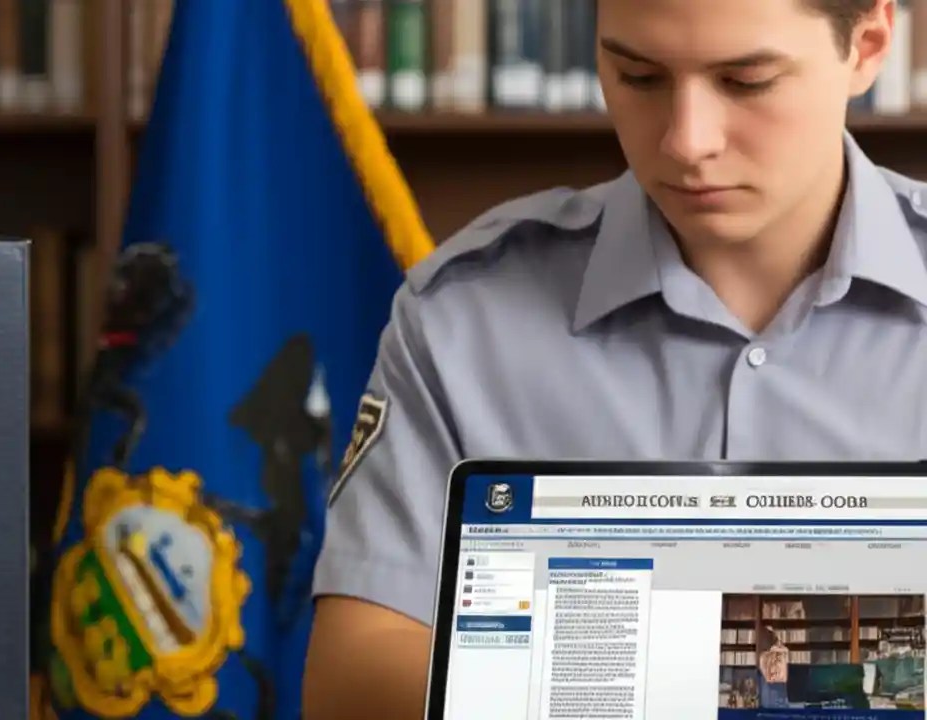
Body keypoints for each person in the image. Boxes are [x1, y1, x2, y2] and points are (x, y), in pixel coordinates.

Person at [301, 1, 925, 718]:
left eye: (746, 81)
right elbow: (353, 677)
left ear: (867, 46)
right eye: (639, 77)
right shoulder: (464, 319)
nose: (687, 141)